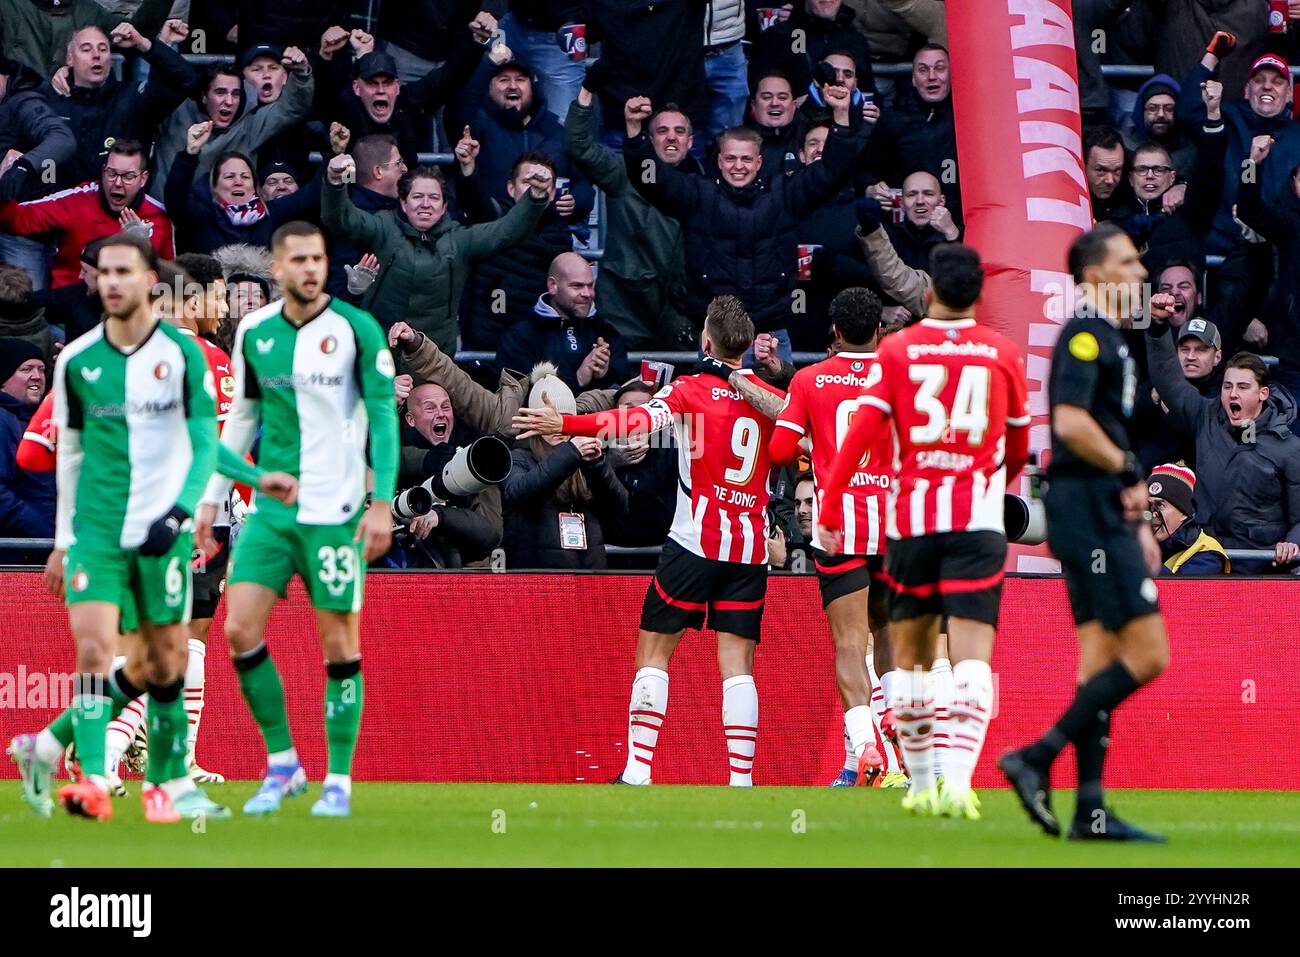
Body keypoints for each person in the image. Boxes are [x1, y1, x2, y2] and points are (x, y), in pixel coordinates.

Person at [512, 296, 785, 787]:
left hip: (693, 542)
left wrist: (567, 424)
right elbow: (800, 444)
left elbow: (630, 422)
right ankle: (741, 781)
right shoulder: (769, 400)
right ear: (745, 347)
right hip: (748, 548)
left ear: (705, 342)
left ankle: (638, 771)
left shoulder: (690, 390)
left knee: (655, 654)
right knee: (738, 667)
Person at [8, 233, 226, 823]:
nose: (112, 282)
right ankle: (96, 782)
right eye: (104, 272)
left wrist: (182, 511)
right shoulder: (77, 360)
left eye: (124, 271)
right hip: (98, 534)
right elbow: (70, 457)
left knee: (162, 660)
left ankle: (53, 747)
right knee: (96, 651)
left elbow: (208, 442)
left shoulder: (183, 358)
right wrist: (63, 540)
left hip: (164, 533)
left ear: (149, 281)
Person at [194, 221, 399, 819]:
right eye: (298, 260)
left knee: (338, 647)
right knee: (238, 631)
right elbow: (240, 419)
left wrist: (381, 502)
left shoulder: (357, 330)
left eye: (318, 259)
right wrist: (212, 498)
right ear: (276, 270)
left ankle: (338, 780)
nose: (310, 269)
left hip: (334, 514)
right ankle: (283, 763)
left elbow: (384, 421)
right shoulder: (255, 333)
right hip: (271, 513)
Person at [818, 245, 1031, 820]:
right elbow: (1018, 447)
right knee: (967, 655)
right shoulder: (1002, 353)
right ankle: (956, 779)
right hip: (977, 523)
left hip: (914, 521)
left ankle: (920, 779)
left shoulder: (900, 350)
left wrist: (833, 505)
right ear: (978, 297)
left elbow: (861, 433)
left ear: (930, 293)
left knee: (908, 657)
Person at [1000, 222, 1171, 843]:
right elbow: (1070, 423)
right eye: (1129, 263)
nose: (1142, 274)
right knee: (1150, 654)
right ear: (1097, 274)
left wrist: (1135, 509)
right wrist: (1128, 471)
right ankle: (1035, 757)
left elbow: (1105, 433)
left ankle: (1091, 811)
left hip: (1102, 509)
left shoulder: (1115, 341)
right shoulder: (1083, 336)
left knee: (1097, 659)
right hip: (1083, 509)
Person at [730, 287, 893, 787]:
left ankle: (866, 744)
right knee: (889, 640)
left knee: (849, 644)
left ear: (835, 333)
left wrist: (810, 437)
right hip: (893, 526)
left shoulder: (810, 378)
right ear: (880, 331)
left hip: (837, 526)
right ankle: (903, 745)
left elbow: (780, 451)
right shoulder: (901, 377)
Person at [624, 85, 865, 367]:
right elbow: (650, 180)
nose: (738, 166)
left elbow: (830, 172)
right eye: (731, 158)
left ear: (759, 162)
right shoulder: (698, 195)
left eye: (746, 159)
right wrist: (633, 130)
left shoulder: (784, 195)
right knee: (719, 410)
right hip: (717, 334)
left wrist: (841, 116)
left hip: (771, 331)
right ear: (719, 161)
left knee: (775, 409)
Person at [321, 153, 551, 353]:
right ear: (403, 203)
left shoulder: (460, 239)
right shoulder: (382, 227)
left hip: (435, 354)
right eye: (417, 197)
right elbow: (341, 219)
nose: (425, 204)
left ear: (443, 207)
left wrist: (536, 197)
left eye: (434, 198)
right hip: (380, 347)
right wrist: (334, 182)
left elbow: (506, 232)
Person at [1145, 330, 1300, 575]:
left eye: (1242, 386)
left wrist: (1293, 544)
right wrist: (1157, 327)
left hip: (1261, 569)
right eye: (1227, 386)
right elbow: (1169, 381)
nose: (1233, 394)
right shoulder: (1205, 416)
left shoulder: (1290, 448)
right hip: (1206, 560)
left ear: (1263, 393)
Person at [564, 85, 700, 349]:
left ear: (690, 142)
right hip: (624, 315)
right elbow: (577, 144)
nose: (671, 138)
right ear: (650, 140)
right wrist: (588, 88)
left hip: (680, 318)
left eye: (679, 131)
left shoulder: (706, 186)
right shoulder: (623, 172)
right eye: (662, 131)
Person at [501, 365, 631, 570]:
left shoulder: (582, 454)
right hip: (538, 580)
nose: (557, 425)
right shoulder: (519, 458)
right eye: (549, 418)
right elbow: (519, 493)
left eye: (564, 417)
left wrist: (597, 465)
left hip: (589, 574)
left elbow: (620, 508)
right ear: (534, 421)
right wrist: (571, 452)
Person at [0, 139, 173, 289]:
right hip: (66, 309)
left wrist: (142, 247)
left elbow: (167, 280)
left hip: (122, 312)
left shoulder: (159, 216)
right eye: (112, 173)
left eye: (128, 176)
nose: (118, 183)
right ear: (103, 171)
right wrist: (3, 187)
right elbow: (20, 218)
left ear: (143, 179)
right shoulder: (77, 200)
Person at [44, 21, 197, 188]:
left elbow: (187, 79)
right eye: (86, 49)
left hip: (122, 211)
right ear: (70, 59)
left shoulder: (132, 99)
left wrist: (144, 44)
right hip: (61, 209)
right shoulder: (52, 100)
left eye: (103, 49)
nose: (97, 55)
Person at [150, 53, 315, 203]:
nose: (229, 101)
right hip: (164, 217)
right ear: (204, 96)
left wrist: (301, 73)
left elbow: (293, 107)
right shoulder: (174, 115)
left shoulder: (251, 125)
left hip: (226, 223)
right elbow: (153, 93)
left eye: (235, 94)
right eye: (220, 92)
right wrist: (161, 44)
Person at [391, 382, 502, 569]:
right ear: (410, 419)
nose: (440, 414)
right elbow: (366, 450)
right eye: (430, 408)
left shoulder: (474, 461)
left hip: (458, 580)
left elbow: (491, 535)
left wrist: (441, 517)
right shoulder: (391, 460)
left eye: (445, 407)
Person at [495, 252, 631, 393]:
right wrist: (577, 378)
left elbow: (624, 393)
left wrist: (604, 375)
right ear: (553, 285)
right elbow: (514, 398)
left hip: (598, 415)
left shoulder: (606, 332)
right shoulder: (521, 336)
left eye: (590, 285)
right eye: (577, 286)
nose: (587, 293)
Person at [322, 134, 402, 302]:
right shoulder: (352, 222)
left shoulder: (402, 208)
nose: (405, 169)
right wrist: (353, 292)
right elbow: (340, 287)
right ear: (378, 171)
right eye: (398, 163)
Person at [0, 336, 54, 538]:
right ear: (2, 381)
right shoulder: (3, 420)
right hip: (16, 553)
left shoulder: (37, 419)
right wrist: (42, 529)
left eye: (41, 369)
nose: (37, 376)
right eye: (26, 369)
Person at [1147, 463, 1229, 574]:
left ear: (1184, 512)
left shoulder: (1207, 553)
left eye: (1160, 505)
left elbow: (1183, 590)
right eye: (1148, 506)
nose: (1153, 514)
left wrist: (1138, 555)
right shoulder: (1142, 539)